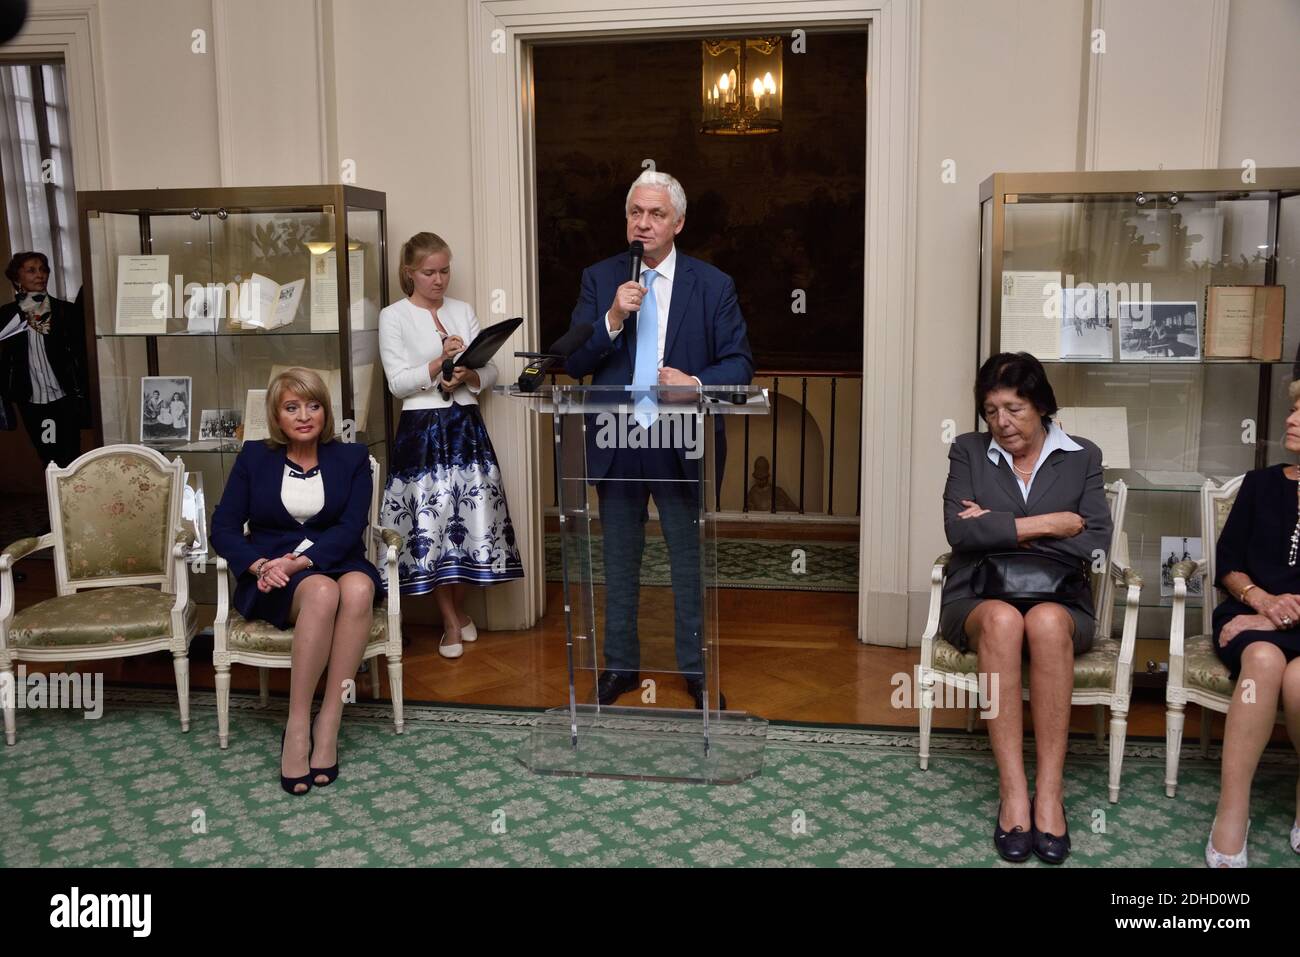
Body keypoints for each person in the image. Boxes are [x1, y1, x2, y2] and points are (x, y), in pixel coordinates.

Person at [563, 170, 753, 710]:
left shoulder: (713, 284)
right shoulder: (600, 279)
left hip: (682, 440)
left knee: (687, 563)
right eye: (635, 214)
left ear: (678, 223)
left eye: (656, 215)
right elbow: (574, 361)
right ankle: (620, 667)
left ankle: (693, 670)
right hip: (617, 439)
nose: (643, 224)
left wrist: (693, 384)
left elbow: (739, 363)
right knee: (619, 562)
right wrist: (614, 318)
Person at [940, 351, 1111, 864]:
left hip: (1062, 601)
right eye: (991, 411)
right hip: (976, 595)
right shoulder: (968, 451)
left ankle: (1050, 794)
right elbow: (958, 532)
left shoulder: (1083, 455)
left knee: (1043, 619)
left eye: (1014, 408)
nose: (1002, 422)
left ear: (1040, 405)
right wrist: (1052, 525)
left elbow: (1096, 544)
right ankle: (1014, 793)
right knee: (1001, 617)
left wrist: (997, 526)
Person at [210, 368, 383, 795]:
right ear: (277, 415)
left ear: (325, 411)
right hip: (269, 570)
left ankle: (330, 719)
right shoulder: (254, 457)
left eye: (313, 405)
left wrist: (298, 563)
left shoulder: (352, 458)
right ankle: (296, 726)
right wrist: (259, 566)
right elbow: (224, 528)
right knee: (322, 592)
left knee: (358, 587)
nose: (304, 416)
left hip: (336, 558)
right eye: (292, 407)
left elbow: (350, 528)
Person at [378, 232, 523, 659]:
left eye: (444, 270)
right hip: (421, 431)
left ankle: (458, 615)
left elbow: (491, 370)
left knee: (468, 521)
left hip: (464, 425)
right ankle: (448, 621)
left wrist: (468, 376)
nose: (439, 280)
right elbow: (397, 382)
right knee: (434, 525)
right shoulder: (394, 316)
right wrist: (441, 362)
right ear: (410, 273)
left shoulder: (462, 310)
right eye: (429, 272)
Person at [1203, 381, 1300, 867]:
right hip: (1248, 614)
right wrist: (1260, 601)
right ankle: (1232, 812)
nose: (1291, 418)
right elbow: (1227, 564)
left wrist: (1283, 611)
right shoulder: (1260, 484)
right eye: (1294, 408)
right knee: (1262, 658)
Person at [0, 252, 89, 468]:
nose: (40, 275)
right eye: (31, 270)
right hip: (31, 400)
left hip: (65, 396)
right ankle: (56, 501)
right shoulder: (6, 315)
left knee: (70, 455)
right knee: (48, 456)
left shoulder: (65, 311)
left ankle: (72, 501)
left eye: (43, 269)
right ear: (16, 278)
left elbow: (80, 354)